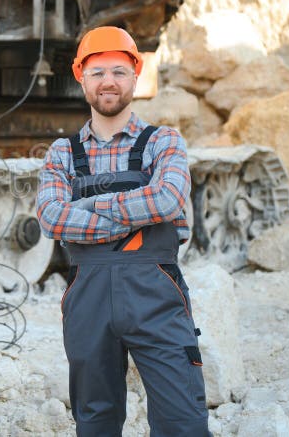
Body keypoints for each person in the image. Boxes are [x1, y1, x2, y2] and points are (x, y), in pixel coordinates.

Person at [36, 26, 210, 436]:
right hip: (88, 300)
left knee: (182, 419)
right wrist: (135, 209)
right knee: (94, 420)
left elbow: (167, 199)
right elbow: (50, 217)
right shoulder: (63, 152)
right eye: (97, 73)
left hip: (156, 295)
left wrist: (91, 207)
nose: (108, 82)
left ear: (135, 75)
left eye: (118, 71)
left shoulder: (163, 142)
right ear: (81, 77)